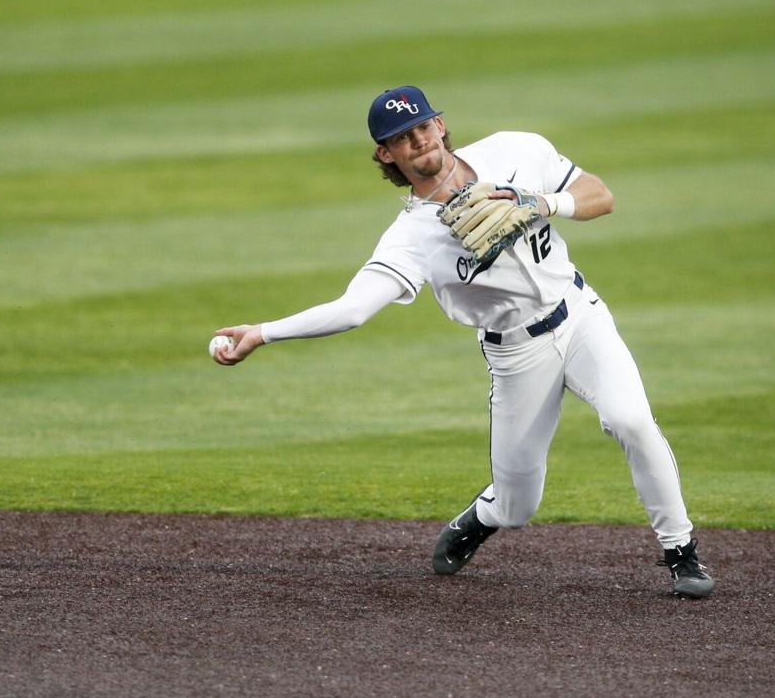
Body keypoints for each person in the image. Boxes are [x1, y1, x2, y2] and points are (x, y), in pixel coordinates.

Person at [212, 85, 714, 598]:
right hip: (515, 354)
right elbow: (354, 309)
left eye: (423, 127)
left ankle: (681, 552)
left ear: (441, 125)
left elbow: (600, 196)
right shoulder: (411, 237)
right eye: (402, 139)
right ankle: (483, 515)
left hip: (581, 316)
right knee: (519, 505)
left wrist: (539, 201)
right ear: (386, 154)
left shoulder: (514, 151)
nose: (419, 141)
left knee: (630, 418)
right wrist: (263, 333)